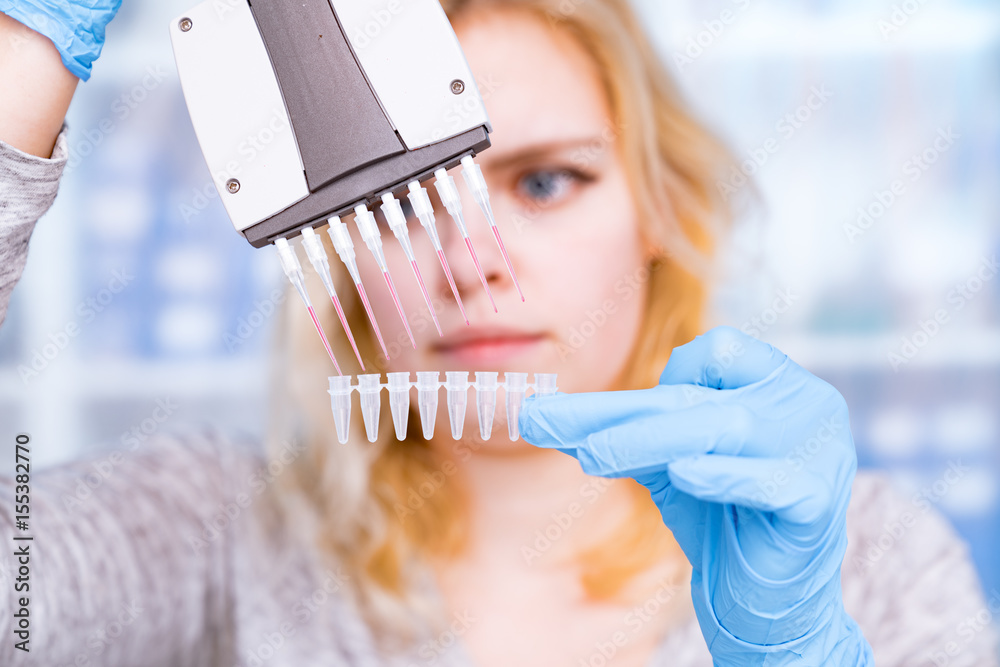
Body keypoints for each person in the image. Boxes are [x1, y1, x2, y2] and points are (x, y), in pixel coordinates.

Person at [0, 0, 996, 665]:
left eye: (545, 180)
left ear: (661, 210)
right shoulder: (206, 530)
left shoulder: (867, 560)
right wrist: (22, 58)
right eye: (404, 204)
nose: (473, 259)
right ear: (333, 255)